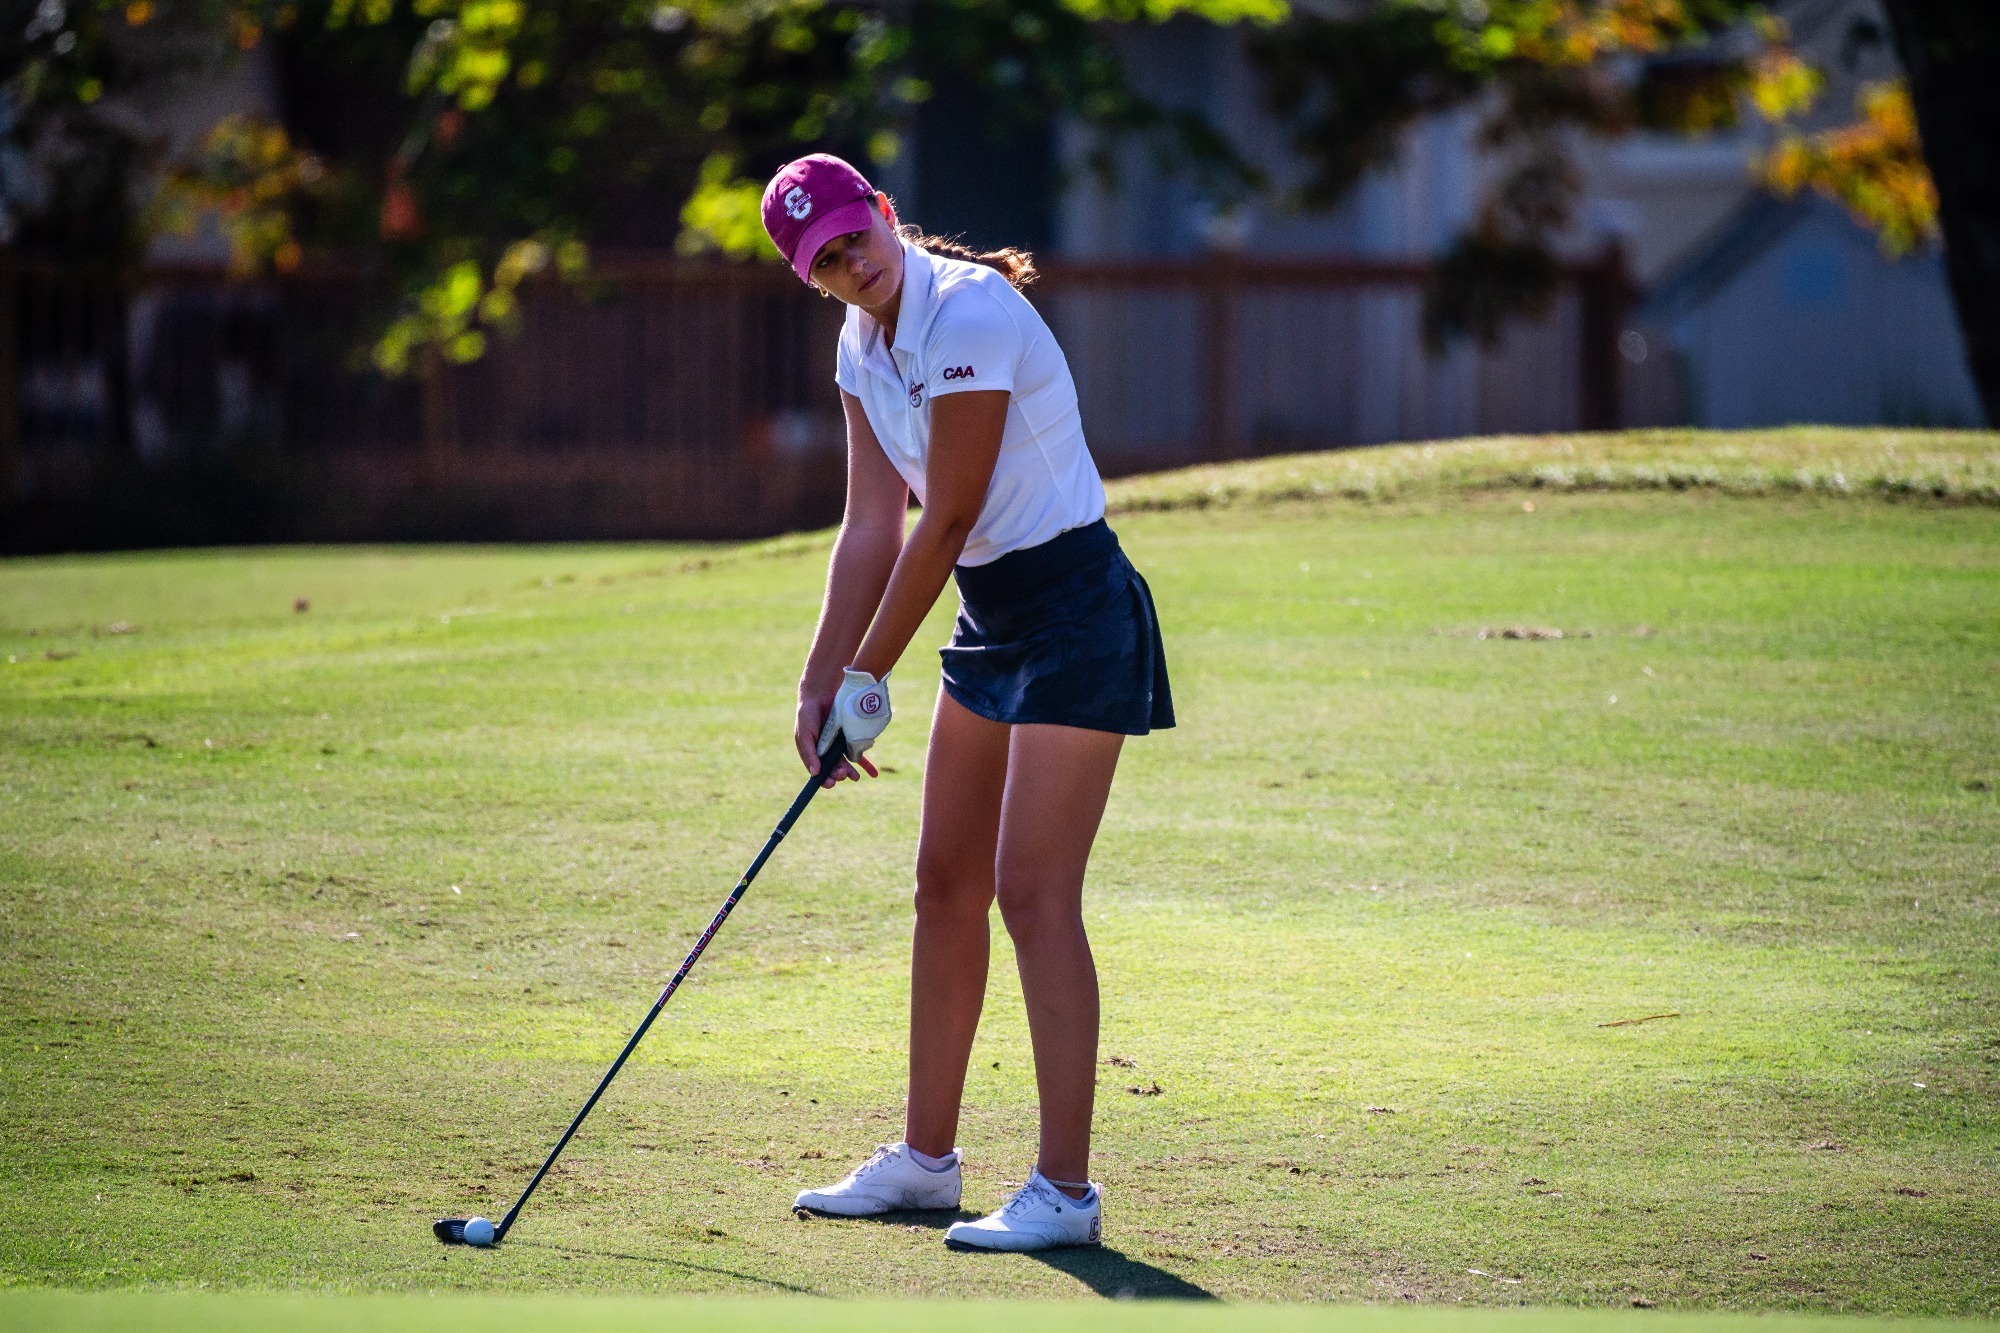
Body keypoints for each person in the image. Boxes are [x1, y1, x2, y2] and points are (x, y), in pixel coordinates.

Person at [761, 154, 1173, 1252]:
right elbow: (869, 527)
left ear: (886, 214)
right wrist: (817, 680)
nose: (851, 264)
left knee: (1031, 891)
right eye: (826, 261)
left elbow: (942, 518)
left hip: (1079, 608)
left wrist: (866, 678)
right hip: (992, 617)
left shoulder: (972, 310)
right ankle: (925, 1164)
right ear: (812, 279)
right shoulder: (859, 343)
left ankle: (1065, 1193)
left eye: (856, 236)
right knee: (943, 881)